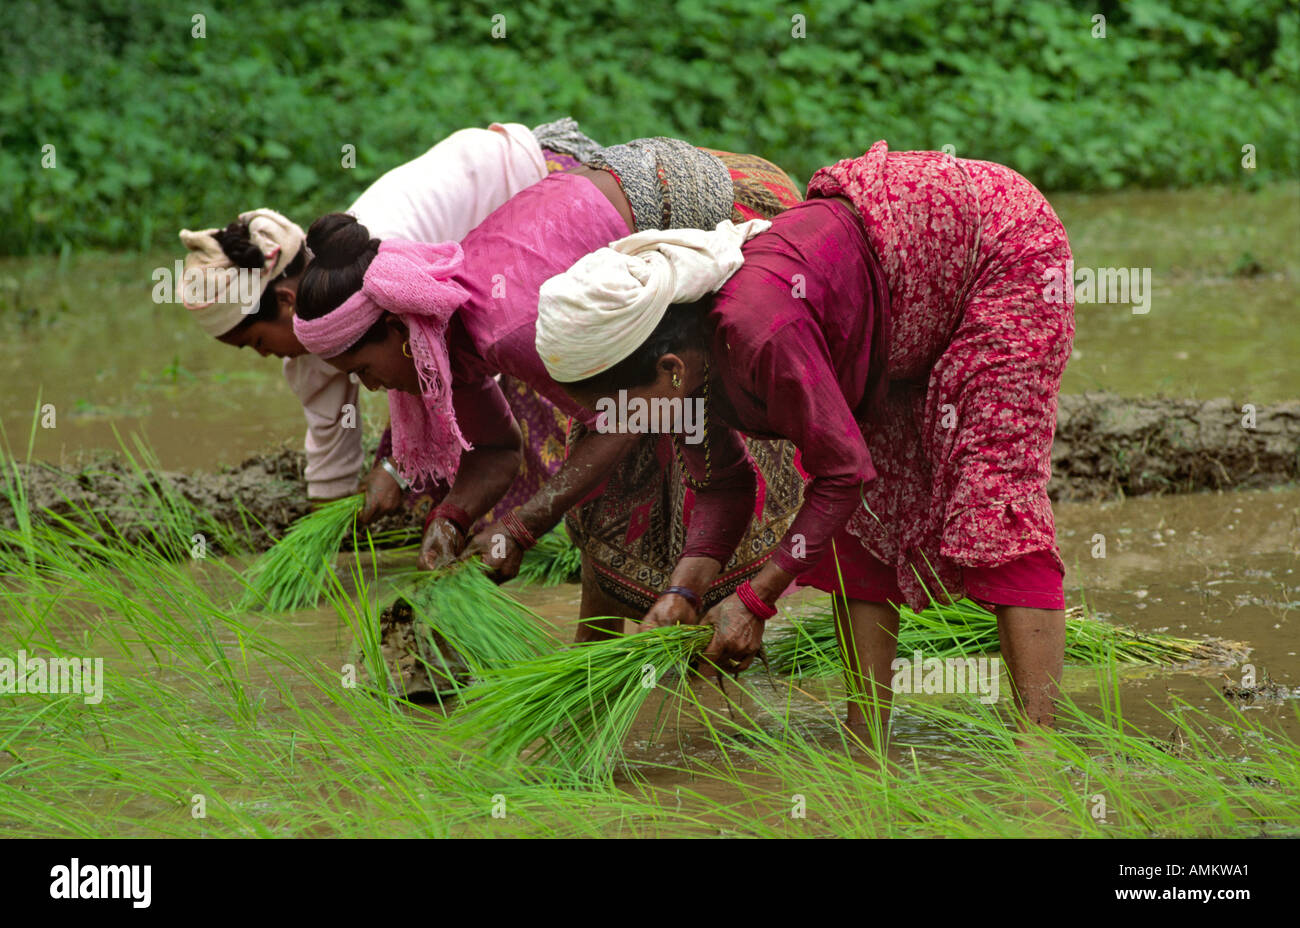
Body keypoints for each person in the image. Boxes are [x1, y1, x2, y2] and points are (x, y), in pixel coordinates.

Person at [535, 141, 1075, 738]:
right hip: (891, 304)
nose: (620, 422)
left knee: (993, 496)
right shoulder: (690, 366)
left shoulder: (760, 332)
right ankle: (865, 742)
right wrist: (682, 592)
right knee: (861, 522)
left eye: (620, 406)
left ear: (667, 370)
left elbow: (842, 473)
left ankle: (1041, 752)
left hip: (995, 253)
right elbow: (724, 486)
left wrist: (755, 600)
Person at [292, 137, 807, 638]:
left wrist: (521, 527)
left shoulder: (508, 325)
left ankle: (675, 634)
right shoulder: (443, 330)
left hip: (705, 215)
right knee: (609, 475)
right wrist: (452, 517)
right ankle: (609, 653)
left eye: (362, 367)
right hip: (636, 198)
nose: (370, 385)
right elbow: (497, 449)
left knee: (663, 456)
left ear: (396, 329)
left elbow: (629, 416)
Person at [173, 119, 594, 526]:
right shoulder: (315, 341)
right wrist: (329, 534)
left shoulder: (376, 266)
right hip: (477, 268)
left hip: (545, 192)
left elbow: (445, 359)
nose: (265, 355)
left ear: (285, 301)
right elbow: (329, 444)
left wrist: (394, 468)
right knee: (428, 479)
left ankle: (558, 525)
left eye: (257, 342)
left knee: (519, 410)